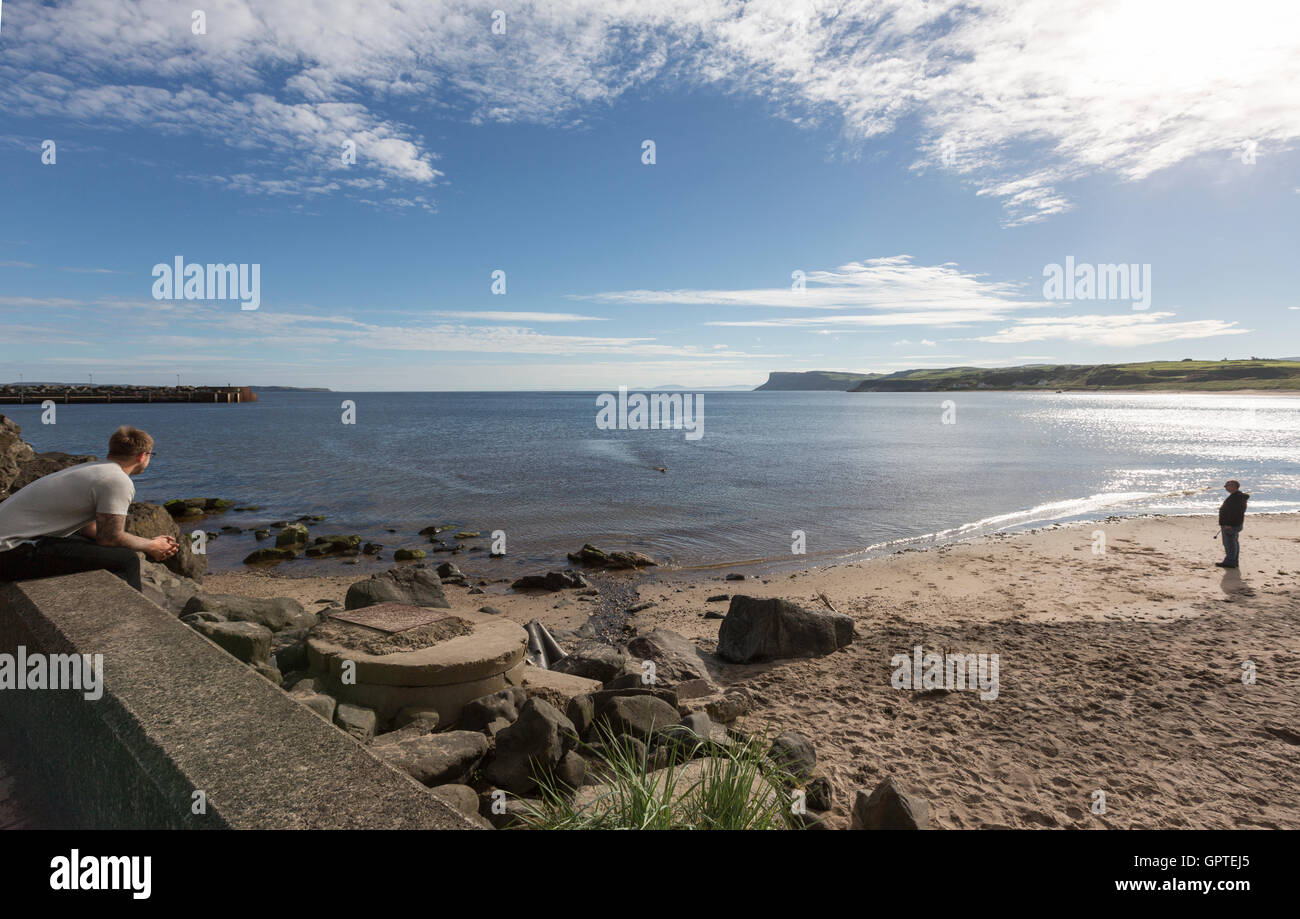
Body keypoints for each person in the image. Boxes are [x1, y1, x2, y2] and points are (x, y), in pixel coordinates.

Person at [0, 426, 177, 591]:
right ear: (142, 456)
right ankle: (135, 619)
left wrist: (146, 542)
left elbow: (89, 528)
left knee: (101, 549)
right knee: (127, 560)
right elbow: (109, 538)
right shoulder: (117, 480)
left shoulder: (90, 470)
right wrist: (151, 545)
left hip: (13, 544)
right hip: (10, 552)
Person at [1216, 479, 1249, 569]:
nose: (1225, 487)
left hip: (1231, 524)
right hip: (1233, 523)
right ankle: (1233, 561)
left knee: (1229, 543)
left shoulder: (1237, 497)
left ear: (1234, 486)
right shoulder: (1236, 496)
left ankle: (1230, 562)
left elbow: (1236, 512)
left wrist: (1229, 524)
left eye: (1227, 485)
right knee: (1233, 542)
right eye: (1225, 485)